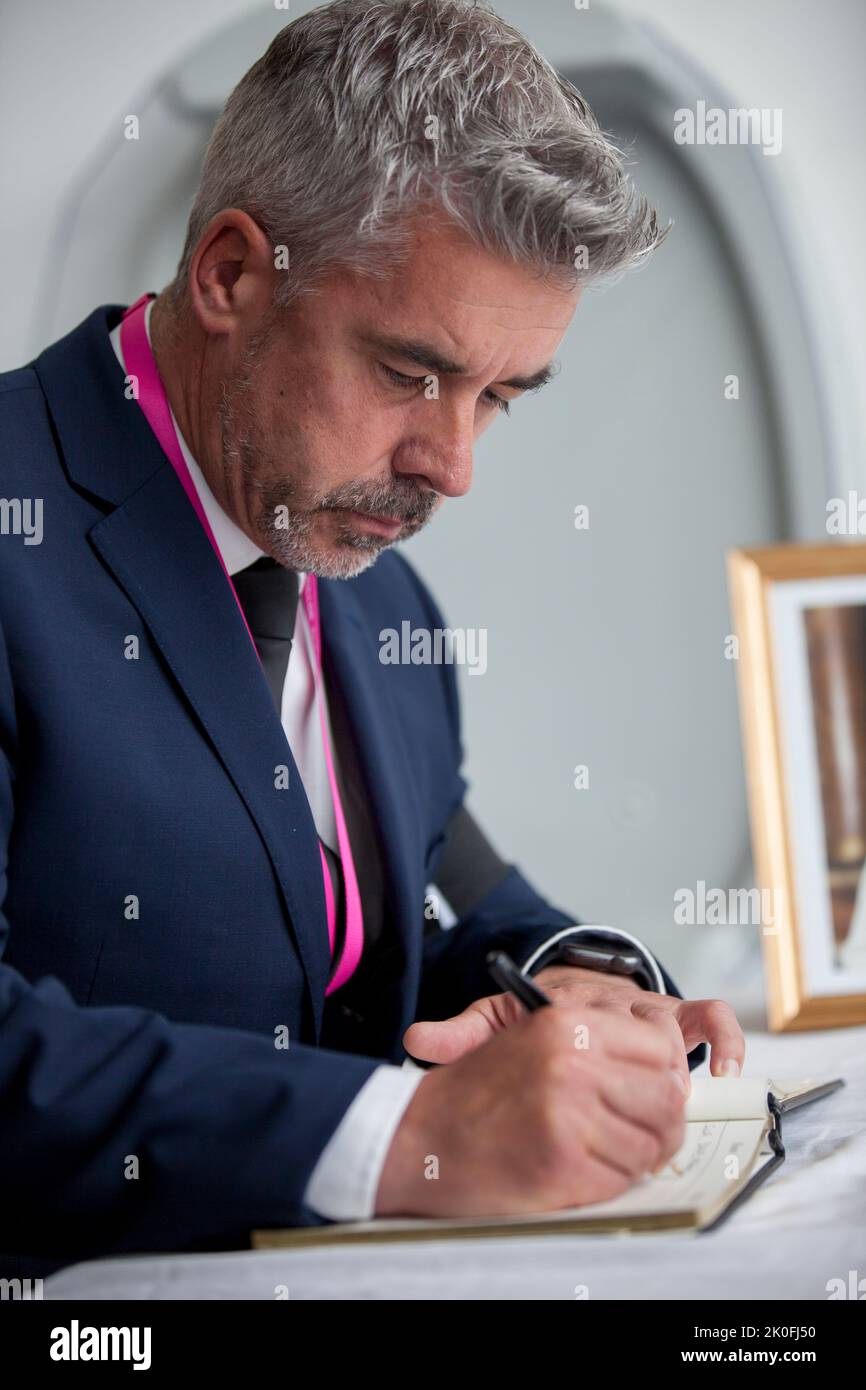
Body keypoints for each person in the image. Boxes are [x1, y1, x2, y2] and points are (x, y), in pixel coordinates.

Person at [0, 0, 744, 1276]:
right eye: (410, 372)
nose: (450, 468)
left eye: (497, 398)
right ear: (230, 273)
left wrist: (585, 985)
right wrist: (405, 1133)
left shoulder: (375, 594)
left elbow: (448, 913)